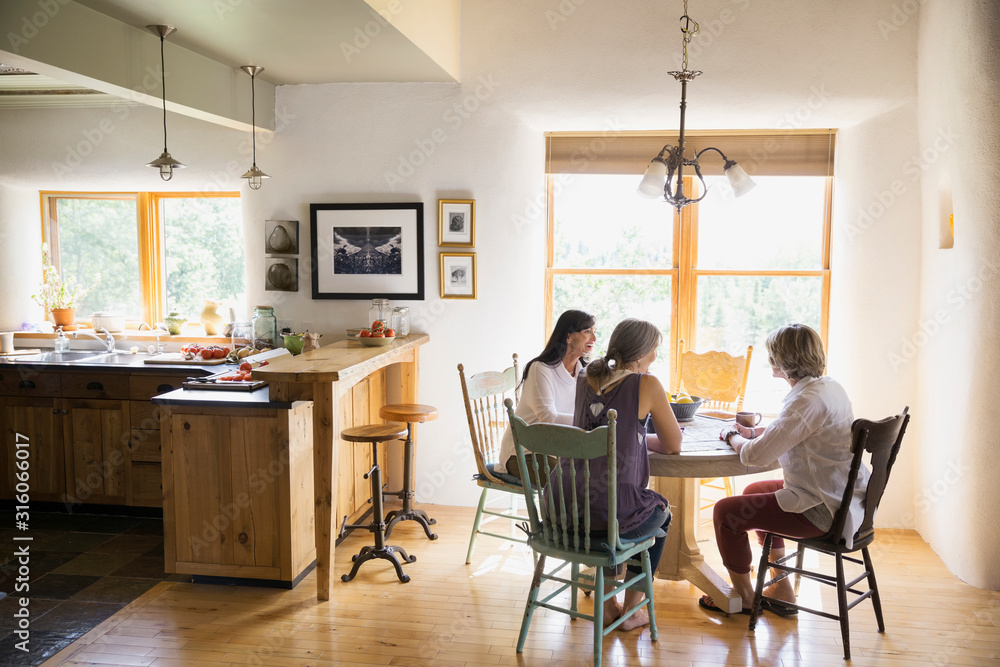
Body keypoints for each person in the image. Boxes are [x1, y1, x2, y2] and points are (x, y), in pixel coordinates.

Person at [699, 323, 867, 617]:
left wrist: (731, 436)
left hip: (822, 511)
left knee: (726, 512)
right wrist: (759, 432)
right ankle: (781, 586)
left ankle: (744, 596)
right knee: (753, 492)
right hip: (844, 499)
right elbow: (800, 430)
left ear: (781, 361)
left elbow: (755, 456)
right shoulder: (829, 387)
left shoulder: (805, 400)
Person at [569, 318, 683, 631]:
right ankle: (634, 609)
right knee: (659, 511)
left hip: (567, 507)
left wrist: (631, 437)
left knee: (611, 509)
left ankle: (606, 605)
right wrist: (639, 437)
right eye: (655, 350)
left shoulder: (585, 377)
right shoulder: (647, 384)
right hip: (609, 514)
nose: (656, 358)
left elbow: (589, 432)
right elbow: (673, 445)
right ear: (641, 353)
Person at [496, 309, 597, 481]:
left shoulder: (584, 372)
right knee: (571, 483)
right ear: (568, 336)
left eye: (595, 333)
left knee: (599, 475)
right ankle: (556, 509)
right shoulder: (541, 368)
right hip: (525, 451)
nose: (594, 339)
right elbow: (548, 417)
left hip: (559, 450)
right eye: (588, 332)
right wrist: (588, 421)